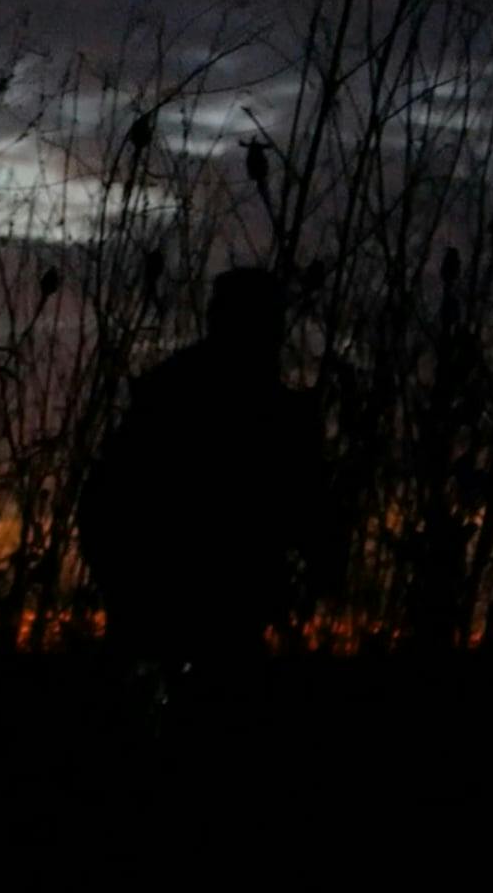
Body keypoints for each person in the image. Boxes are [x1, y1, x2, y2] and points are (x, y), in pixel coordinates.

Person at [79, 266, 332, 686]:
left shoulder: (277, 414)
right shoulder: (172, 396)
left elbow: (311, 523)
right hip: (165, 619)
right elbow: (105, 503)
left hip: (222, 625)